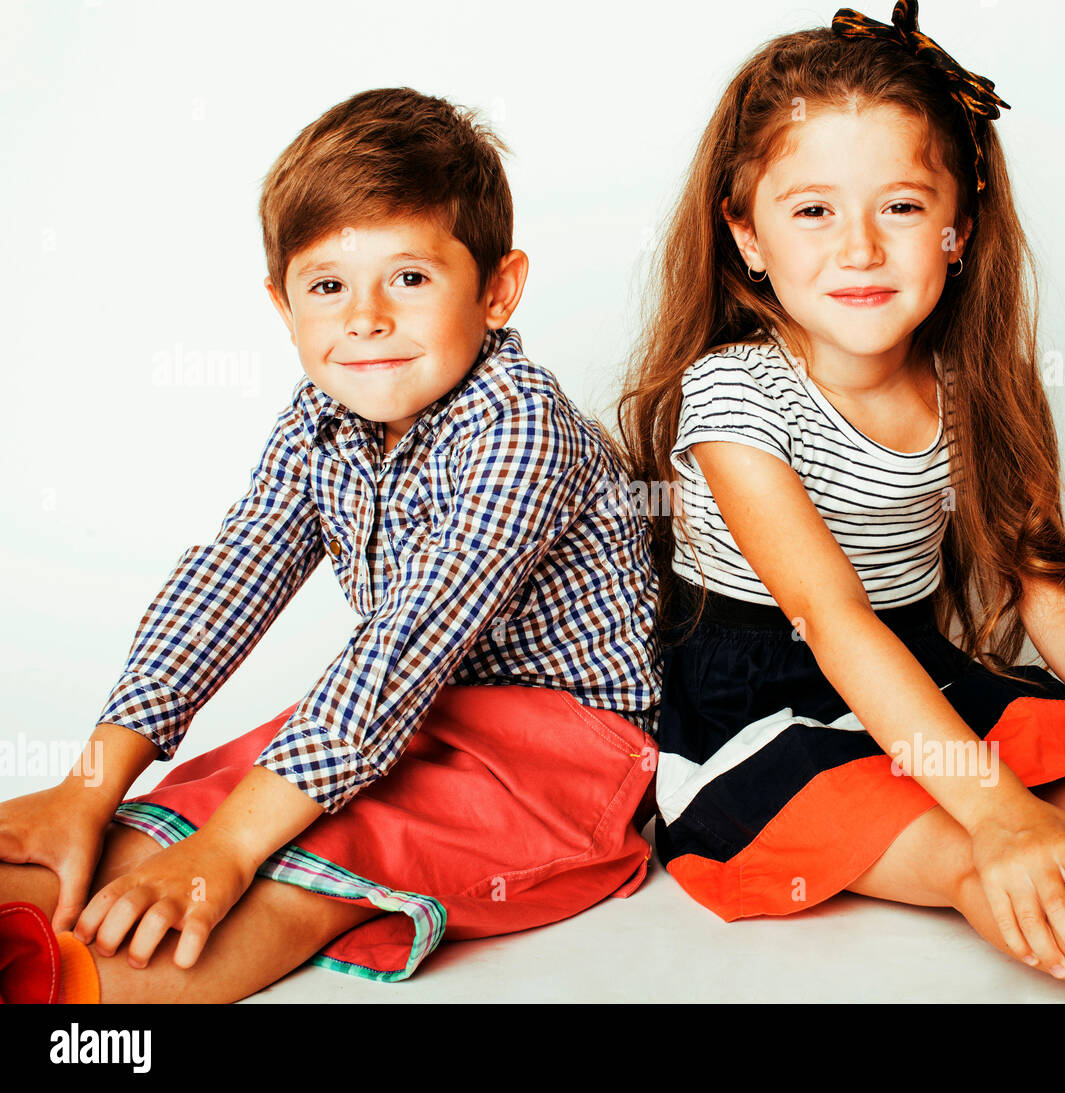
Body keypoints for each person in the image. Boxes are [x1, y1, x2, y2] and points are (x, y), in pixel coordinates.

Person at [616, 2, 1065, 1003]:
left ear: (956, 231)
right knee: (989, 852)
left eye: (897, 206)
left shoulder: (966, 383)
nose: (856, 248)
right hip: (762, 715)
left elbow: (1050, 597)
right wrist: (998, 812)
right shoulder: (735, 392)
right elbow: (832, 619)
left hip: (920, 682)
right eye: (812, 210)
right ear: (744, 232)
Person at [0, 86, 660, 1004]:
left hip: (564, 757)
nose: (365, 319)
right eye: (328, 287)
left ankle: (72, 996)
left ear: (498, 289)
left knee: (302, 856)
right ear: (284, 305)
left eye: (412, 278)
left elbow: (401, 651)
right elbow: (225, 583)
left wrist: (230, 851)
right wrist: (88, 784)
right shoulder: (320, 416)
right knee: (170, 817)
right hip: (409, 718)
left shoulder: (521, 427)